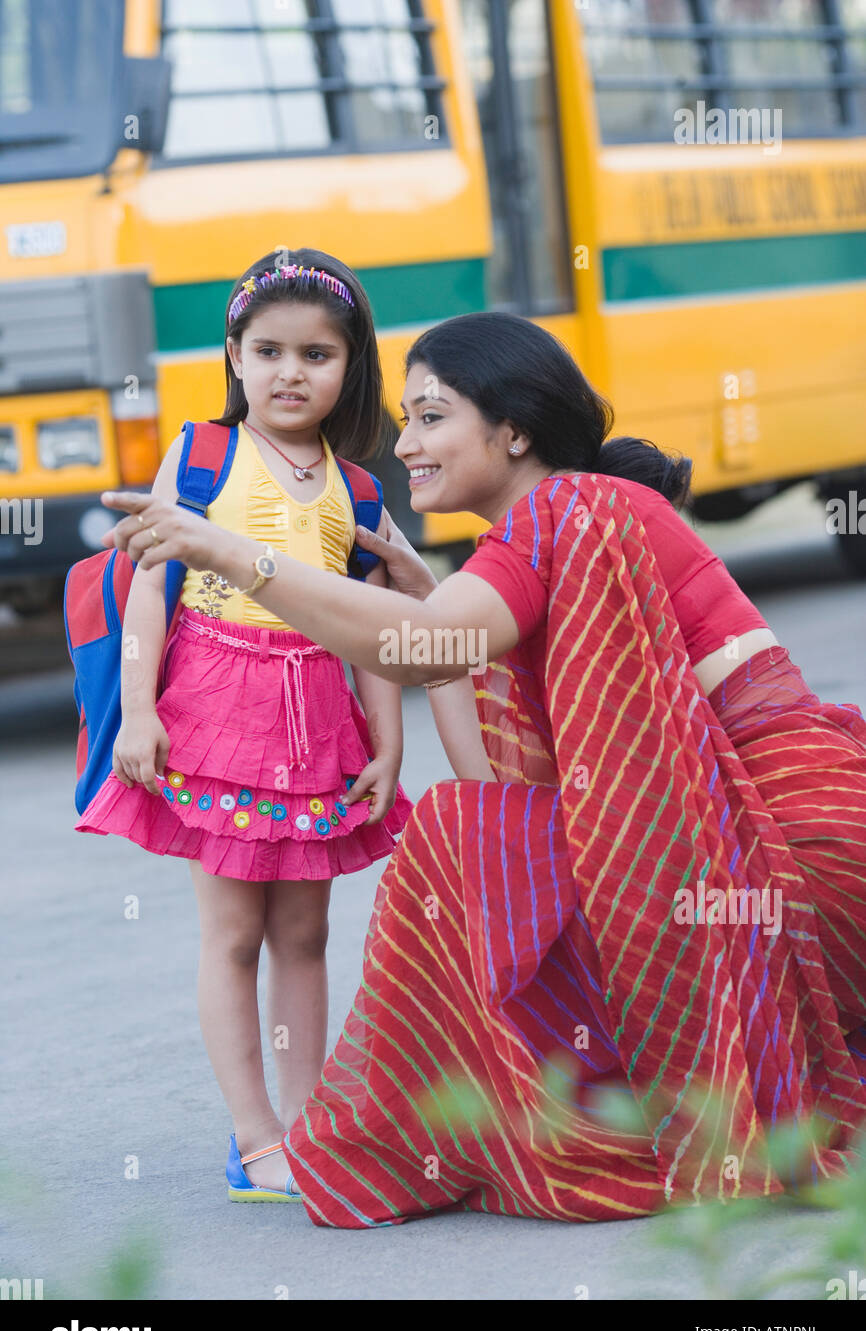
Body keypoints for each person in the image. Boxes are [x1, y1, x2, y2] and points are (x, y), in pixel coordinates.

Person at [98, 311, 866, 1226]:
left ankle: (494, 1124)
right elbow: (497, 784)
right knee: (469, 827)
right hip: (798, 847)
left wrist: (229, 551)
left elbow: (423, 652)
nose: (405, 444)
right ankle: (565, 1094)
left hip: (787, 855)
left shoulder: (566, 512)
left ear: (513, 431)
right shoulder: (560, 527)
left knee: (449, 840)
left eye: (429, 418)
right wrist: (429, 603)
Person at [76, 250, 414, 1202]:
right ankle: (256, 1137)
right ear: (234, 357)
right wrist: (138, 709)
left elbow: (374, 629)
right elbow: (150, 586)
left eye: (316, 354)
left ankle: (310, 1132)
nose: (290, 373)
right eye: (266, 351)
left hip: (320, 725)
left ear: (352, 366)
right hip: (215, 712)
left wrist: (387, 743)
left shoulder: (363, 490)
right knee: (231, 933)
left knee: (305, 934)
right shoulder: (201, 455)